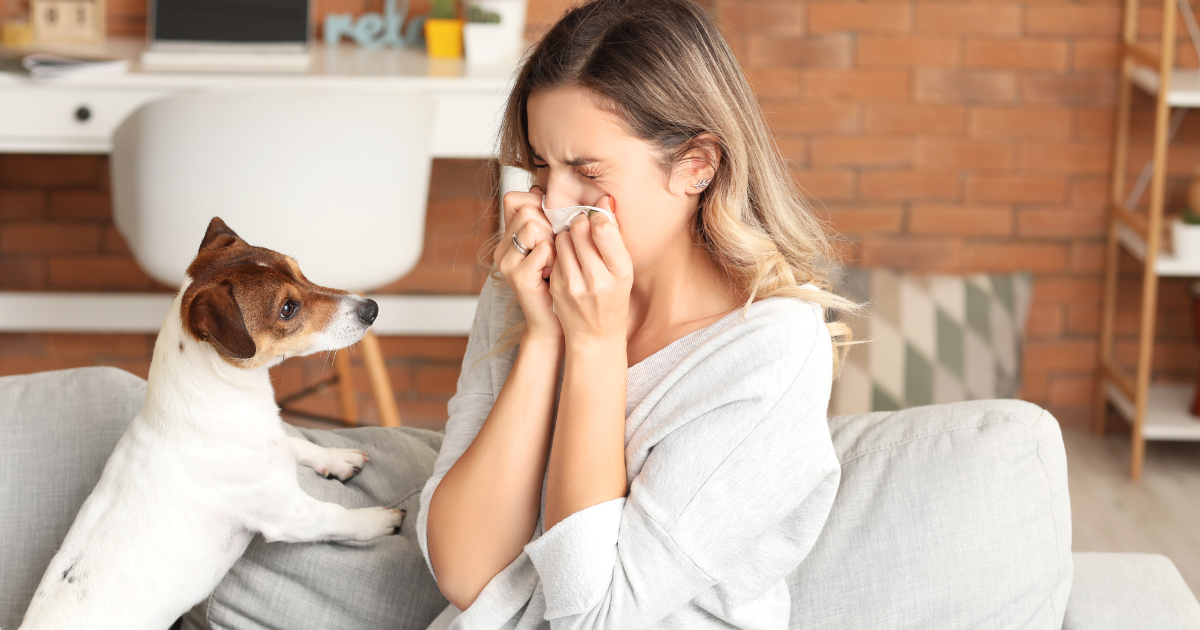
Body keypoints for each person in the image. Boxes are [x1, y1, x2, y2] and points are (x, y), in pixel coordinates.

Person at [416, 0, 856, 627]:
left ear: (696, 166)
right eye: (542, 165)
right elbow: (461, 570)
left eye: (587, 171)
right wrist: (545, 336)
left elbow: (596, 617)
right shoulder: (527, 284)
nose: (551, 201)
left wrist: (594, 349)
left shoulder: (771, 350)